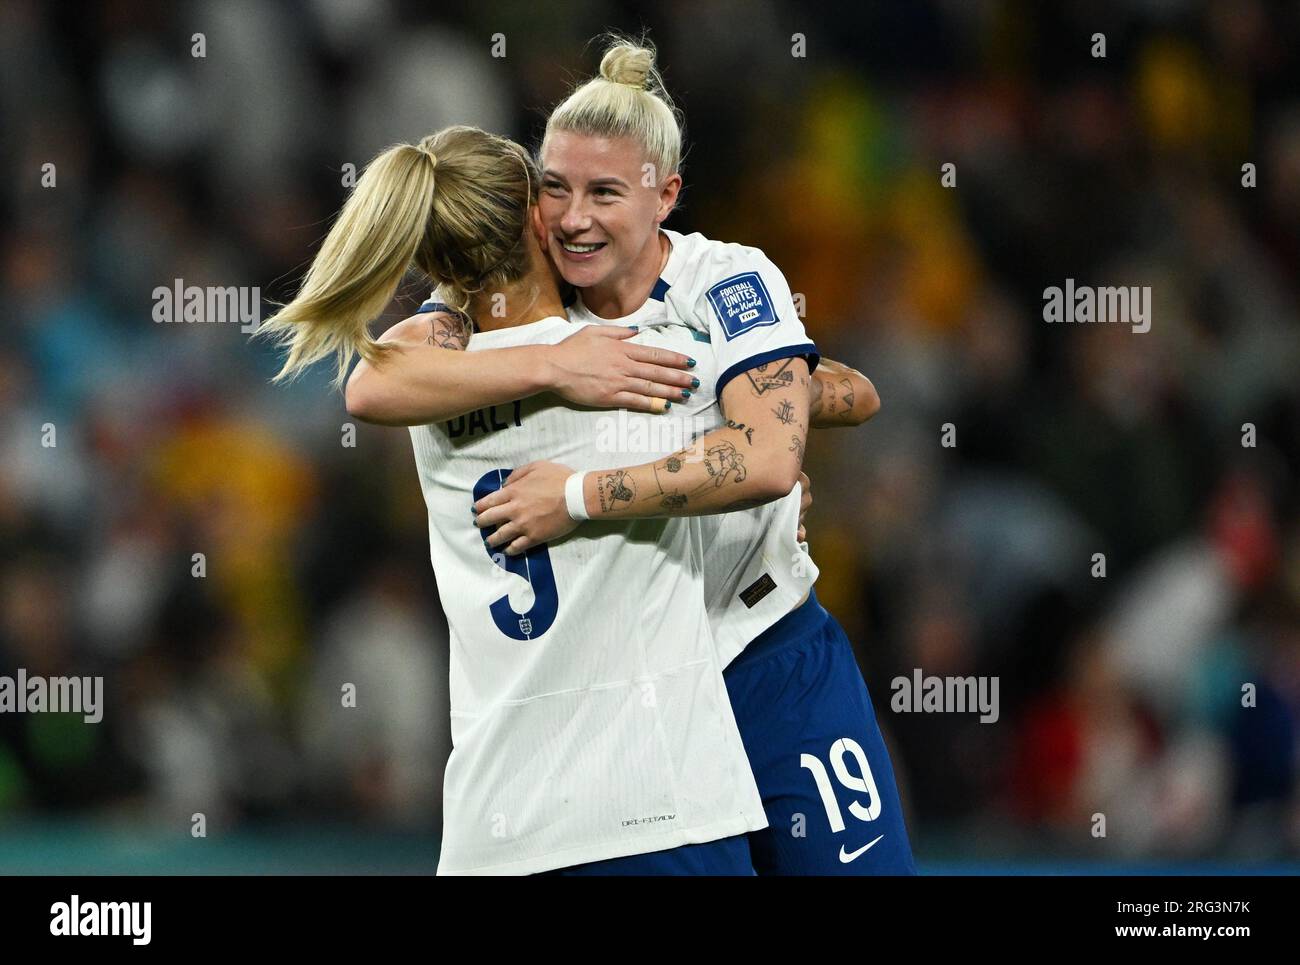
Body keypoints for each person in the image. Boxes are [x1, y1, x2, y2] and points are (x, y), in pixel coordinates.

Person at [351, 37, 916, 875]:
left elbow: (845, 401)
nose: (575, 217)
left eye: (605, 193)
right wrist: (566, 367)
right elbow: (371, 386)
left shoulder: (716, 282)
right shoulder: (499, 322)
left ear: (665, 197)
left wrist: (603, 478)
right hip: (649, 701)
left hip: (762, 649)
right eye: (556, 189)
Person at [258, 124, 770, 875]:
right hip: (655, 812)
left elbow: (368, 385)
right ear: (538, 216)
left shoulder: (434, 378)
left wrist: (548, 361)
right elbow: (834, 404)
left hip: (495, 832)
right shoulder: (643, 362)